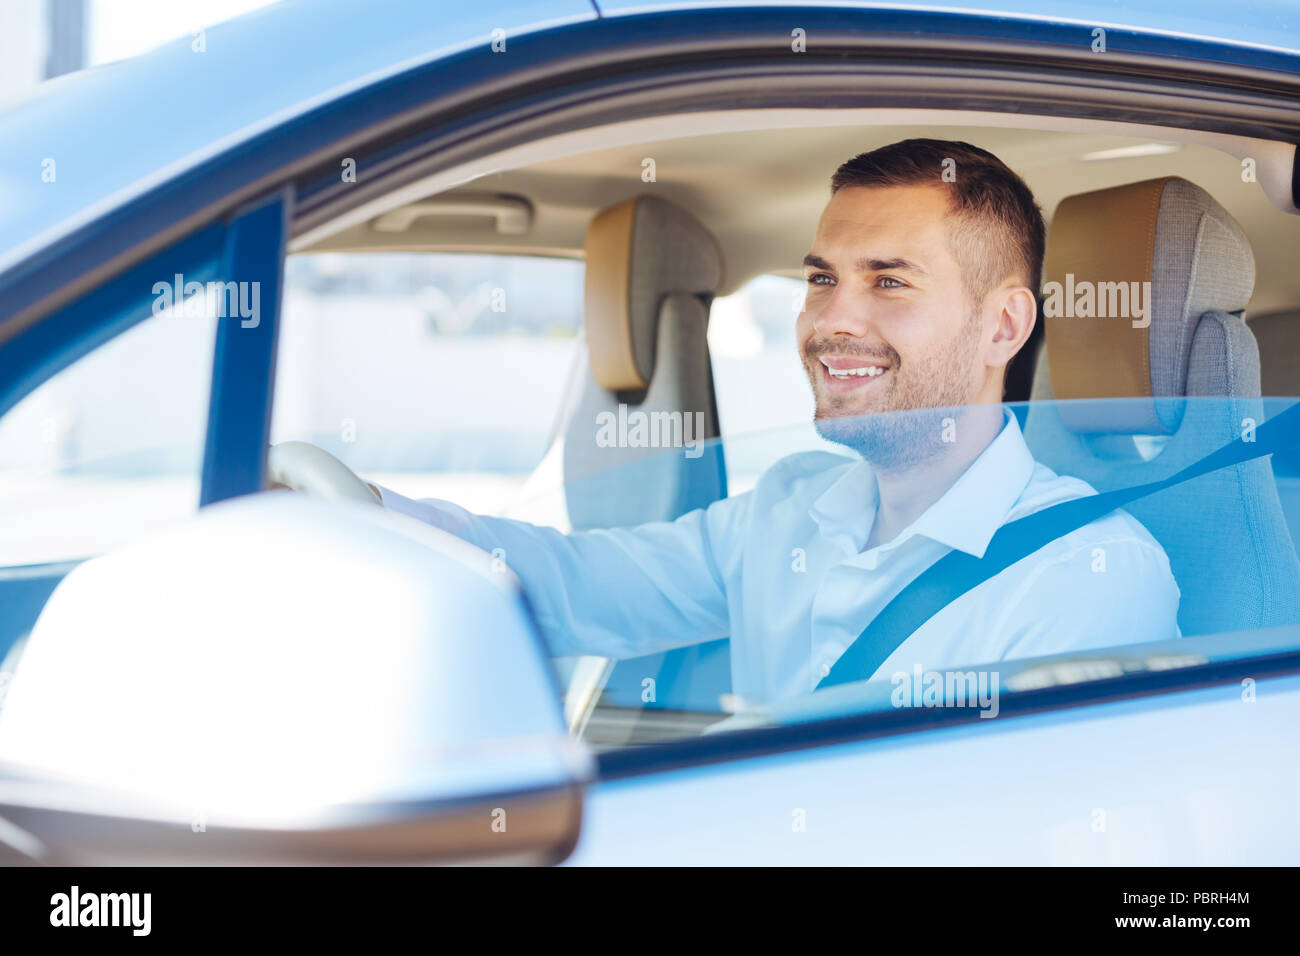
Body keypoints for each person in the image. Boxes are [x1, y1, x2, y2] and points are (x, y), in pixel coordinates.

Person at [373, 139, 1181, 705]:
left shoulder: (1089, 574)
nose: (833, 320)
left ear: (1003, 327)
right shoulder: (789, 506)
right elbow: (574, 586)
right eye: (823, 279)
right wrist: (366, 518)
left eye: (889, 283)